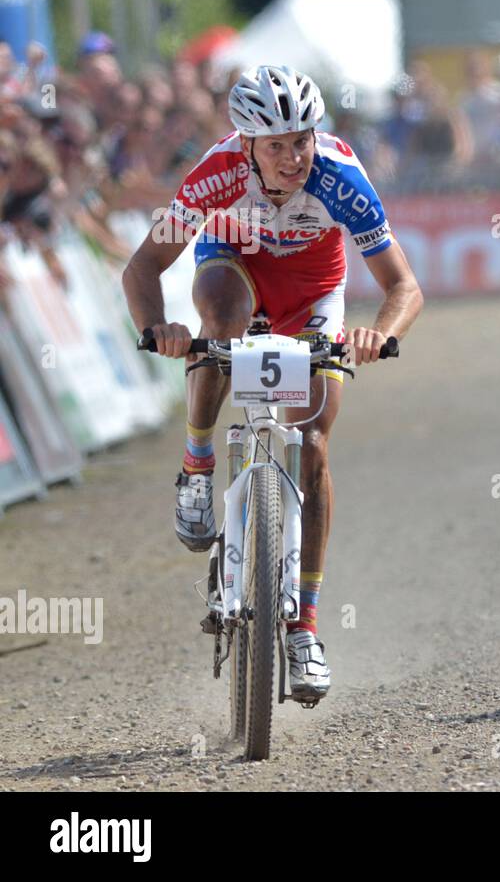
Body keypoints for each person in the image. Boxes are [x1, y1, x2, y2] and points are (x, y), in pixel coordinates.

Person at [121, 65, 424, 702]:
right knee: (221, 325)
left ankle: (304, 627)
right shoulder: (216, 174)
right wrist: (158, 327)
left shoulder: (341, 177)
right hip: (235, 276)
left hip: (315, 297)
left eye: (302, 140)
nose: (293, 157)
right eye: (276, 145)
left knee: (313, 445)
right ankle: (197, 466)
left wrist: (378, 333)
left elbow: (404, 285)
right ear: (247, 146)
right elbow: (144, 266)